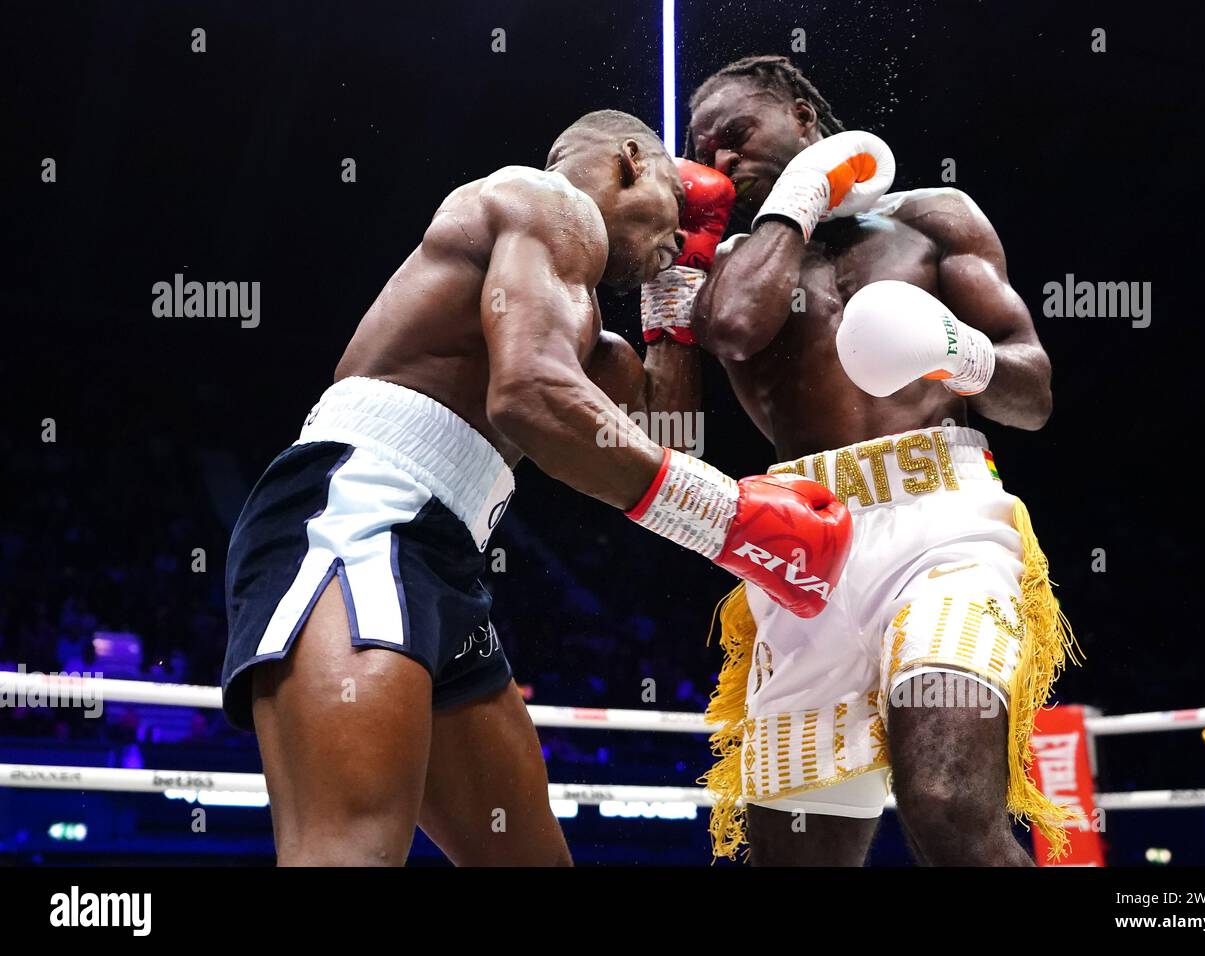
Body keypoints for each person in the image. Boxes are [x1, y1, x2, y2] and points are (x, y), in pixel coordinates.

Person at [221, 109, 853, 866]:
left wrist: (676, 294)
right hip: (357, 515)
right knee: (349, 850)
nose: (677, 243)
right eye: (675, 218)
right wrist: (732, 519)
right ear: (628, 162)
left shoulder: (575, 330)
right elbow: (527, 395)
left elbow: (665, 438)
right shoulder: (542, 202)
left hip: (440, 558)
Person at [656, 56, 1078, 865]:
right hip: (801, 556)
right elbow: (739, 329)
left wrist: (957, 353)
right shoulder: (723, 269)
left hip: (941, 531)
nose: (718, 164)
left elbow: (1034, 396)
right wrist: (801, 193)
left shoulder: (934, 218)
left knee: (950, 809)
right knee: (797, 856)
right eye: (702, 153)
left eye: (736, 135)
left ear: (806, 118)